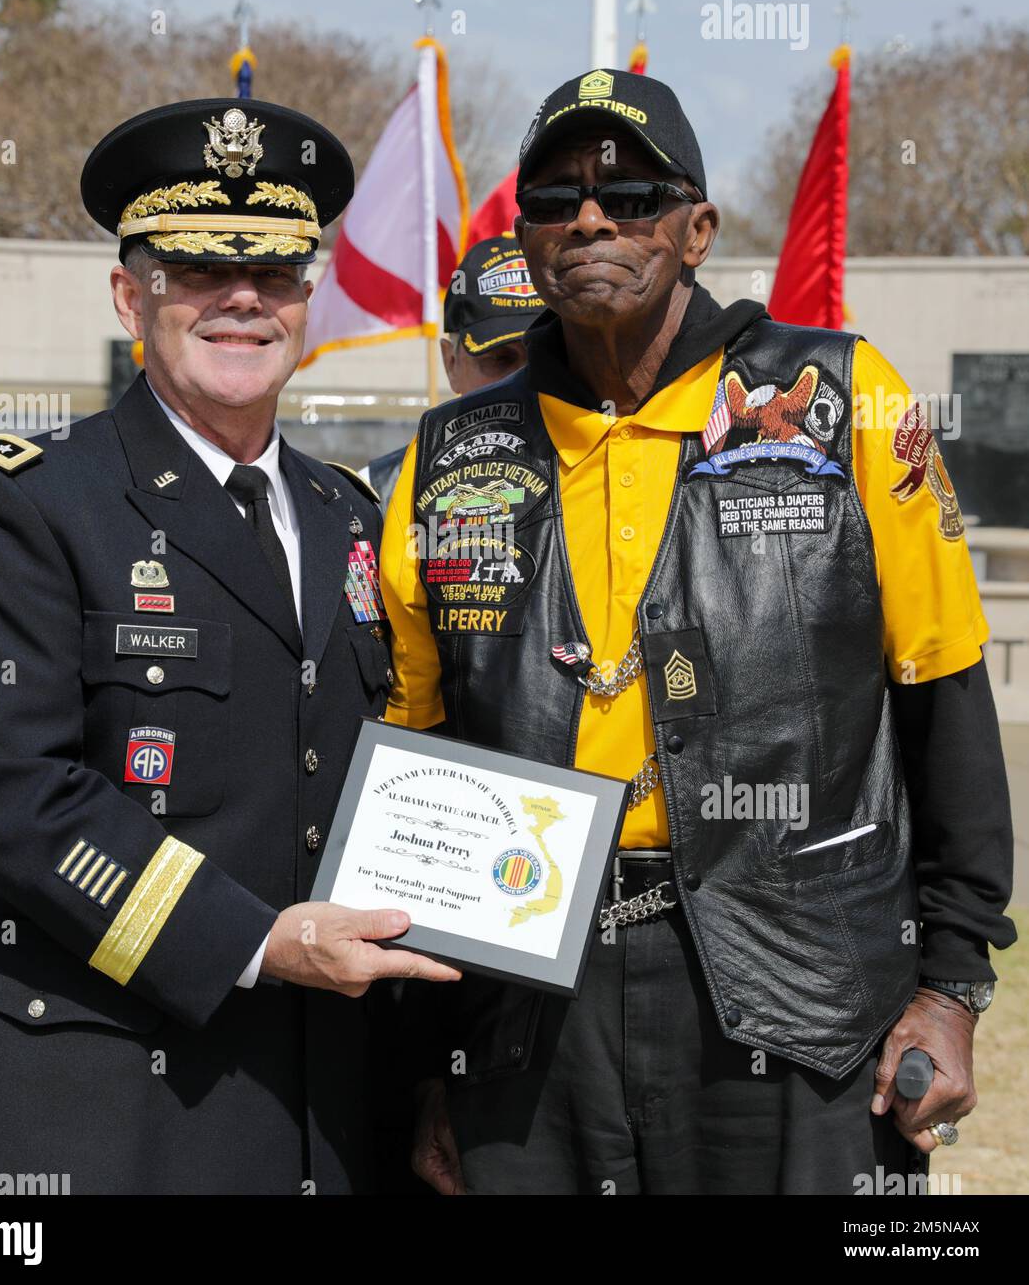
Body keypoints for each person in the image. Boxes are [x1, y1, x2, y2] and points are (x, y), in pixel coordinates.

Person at [380, 68, 1017, 1195]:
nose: (589, 221)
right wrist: (427, 1064)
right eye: (554, 198)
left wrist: (951, 983)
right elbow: (419, 768)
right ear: (521, 236)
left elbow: (942, 690)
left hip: (803, 995)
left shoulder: (843, 398)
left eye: (630, 197)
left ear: (696, 227)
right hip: (530, 1009)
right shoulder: (445, 457)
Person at [0, 97, 459, 1196]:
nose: (242, 298)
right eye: (200, 268)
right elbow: (14, 797)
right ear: (133, 293)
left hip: (334, 1111)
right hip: (115, 1109)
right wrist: (257, 943)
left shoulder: (354, 515)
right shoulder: (23, 503)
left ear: (308, 298)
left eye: (274, 271)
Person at [360, 235, 543, 512]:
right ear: (451, 363)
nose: (524, 380)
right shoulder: (379, 491)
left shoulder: (612, 471)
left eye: (545, 357)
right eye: (501, 359)